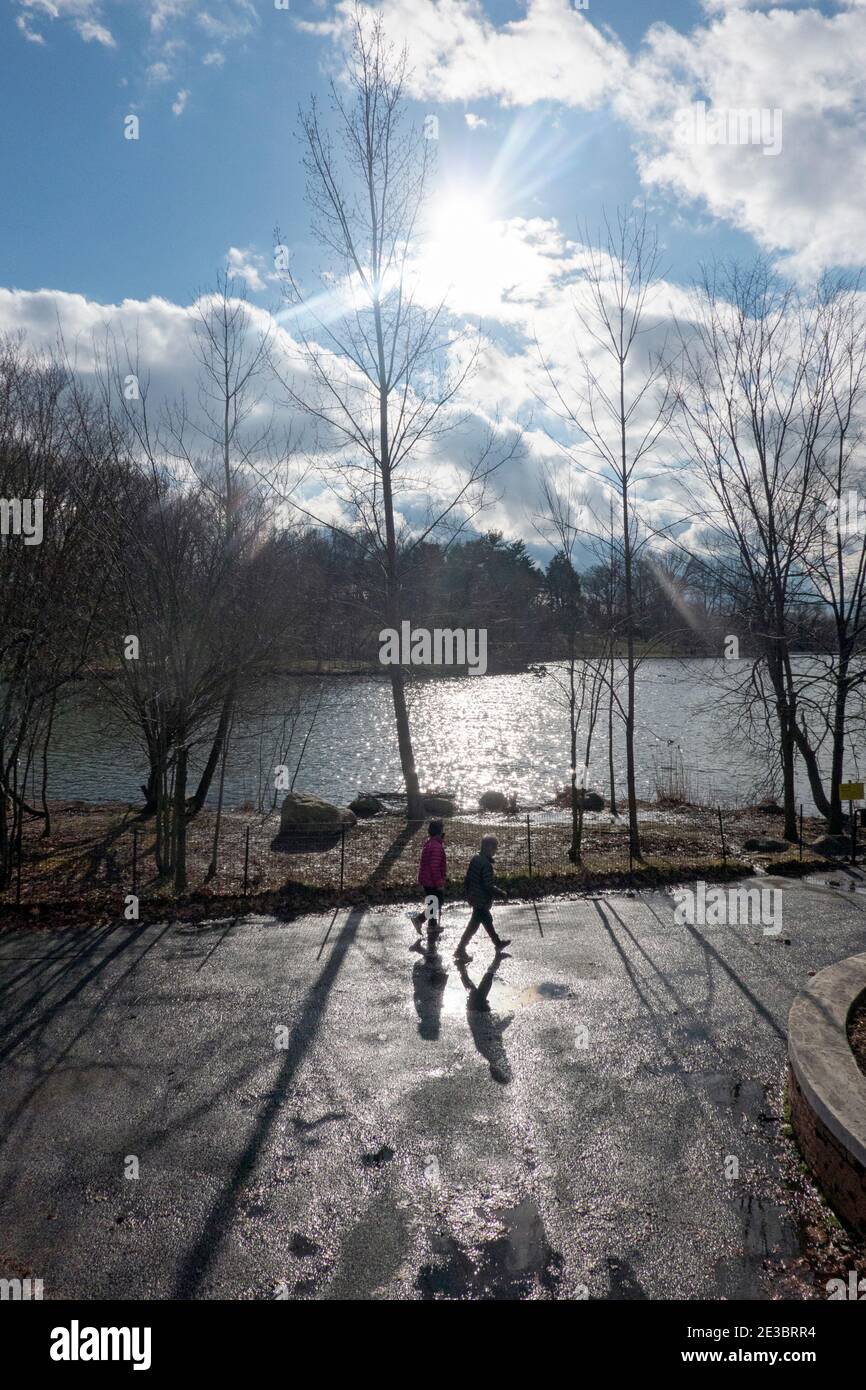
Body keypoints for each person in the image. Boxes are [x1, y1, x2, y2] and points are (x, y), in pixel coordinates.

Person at [454, 834, 510, 961]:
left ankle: (497, 943)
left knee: (485, 921)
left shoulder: (475, 859)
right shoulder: (486, 865)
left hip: (474, 897)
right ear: (489, 848)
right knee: (474, 926)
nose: (495, 852)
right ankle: (460, 949)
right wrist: (501, 893)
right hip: (481, 899)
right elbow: (488, 885)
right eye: (495, 849)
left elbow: (467, 879)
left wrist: (468, 894)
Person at [411, 819, 447, 938]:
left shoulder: (429, 843)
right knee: (438, 902)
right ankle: (419, 920)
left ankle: (432, 925)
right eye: (442, 830)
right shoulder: (436, 846)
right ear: (439, 831)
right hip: (432, 881)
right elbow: (434, 867)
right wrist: (439, 883)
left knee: (433, 902)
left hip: (426, 880)